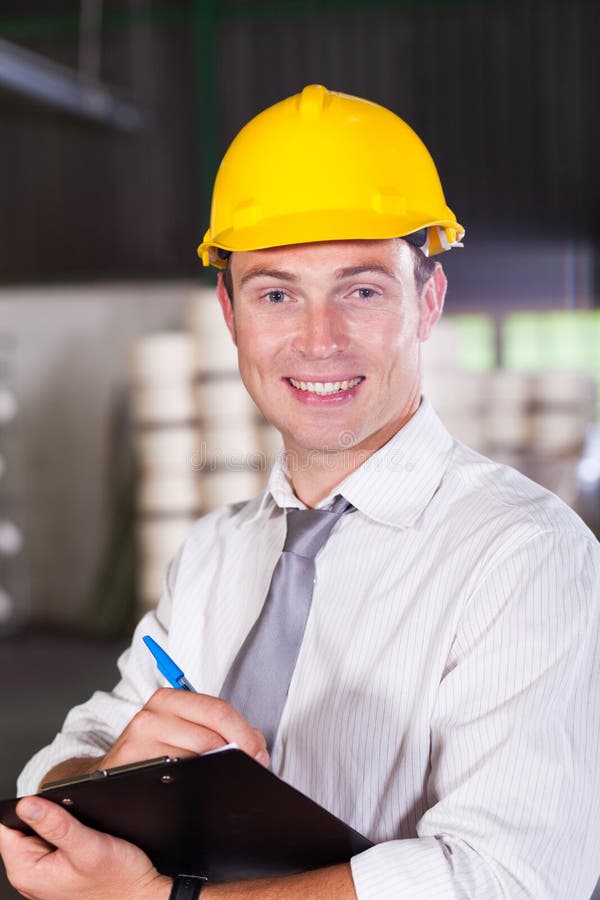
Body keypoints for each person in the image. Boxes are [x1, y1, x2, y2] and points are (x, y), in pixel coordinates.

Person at [1, 85, 599, 900]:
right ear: (231, 314)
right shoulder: (216, 550)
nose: (319, 341)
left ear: (428, 303)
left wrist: (159, 899)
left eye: (362, 290)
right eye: (277, 294)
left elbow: (508, 880)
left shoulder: (525, 556)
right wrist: (104, 770)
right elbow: (75, 751)